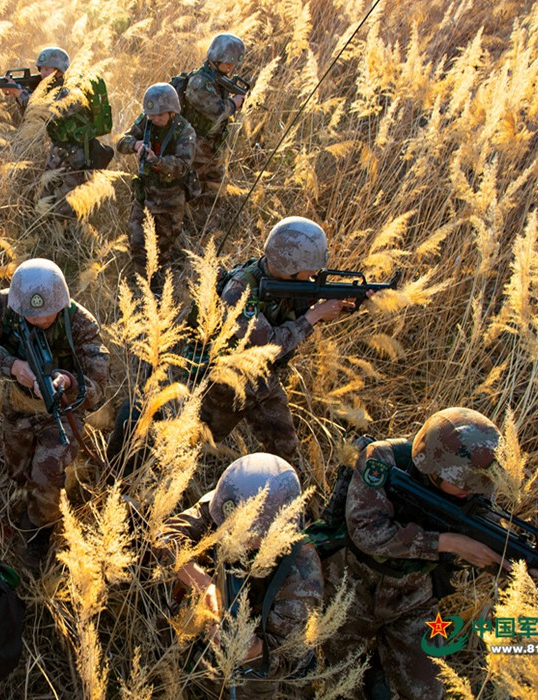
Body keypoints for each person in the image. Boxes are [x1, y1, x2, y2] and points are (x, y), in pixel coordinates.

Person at [322, 408, 538, 699]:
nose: (471, 491)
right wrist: (447, 542)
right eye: (463, 482)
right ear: (431, 465)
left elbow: (490, 551)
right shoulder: (383, 460)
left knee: (429, 692)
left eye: (478, 484)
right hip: (350, 591)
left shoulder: (473, 489)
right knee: (340, 686)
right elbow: (365, 531)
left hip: (414, 601)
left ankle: (383, 662)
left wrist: (534, 572)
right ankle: (376, 667)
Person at [0, 259, 109, 565]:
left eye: (47, 314)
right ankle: (24, 502)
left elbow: (97, 385)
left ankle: (40, 531)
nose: (40, 320)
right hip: (19, 405)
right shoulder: (5, 306)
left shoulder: (81, 323)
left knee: (47, 472)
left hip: (63, 410)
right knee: (18, 469)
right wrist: (14, 366)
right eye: (31, 315)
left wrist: (68, 382)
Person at [155, 453, 322, 698]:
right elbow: (163, 538)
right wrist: (204, 585)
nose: (226, 534)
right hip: (200, 640)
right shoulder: (226, 507)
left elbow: (285, 659)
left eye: (242, 532)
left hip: (254, 671)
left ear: (275, 529)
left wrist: (244, 646)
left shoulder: (302, 573)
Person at [198, 216, 359, 461]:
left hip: (264, 381)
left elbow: (300, 311)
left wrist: (348, 303)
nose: (315, 273)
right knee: (197, 443)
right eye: (310, 269)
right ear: (290, 266)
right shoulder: (240, 291)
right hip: (227, 383)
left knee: (284, 448)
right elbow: (271, 345)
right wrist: (314, 316)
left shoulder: (289, 283)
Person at [2, 46, 111, 216]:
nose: (43, 73)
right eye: (41, 69)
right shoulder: (48, 89)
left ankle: (70, 238)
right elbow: (32, 116)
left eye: (48, 69)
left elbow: (48, 109)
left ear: (60, 70)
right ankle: (51, 233)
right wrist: (18, 96)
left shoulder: (71, 89)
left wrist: (20, 94)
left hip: (77, 155)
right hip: (58, 153)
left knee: (67, 205)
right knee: (44, 198)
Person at [116, 82, 197, 281]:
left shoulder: (185, 130)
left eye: (159, 115)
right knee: (137, 243)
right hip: (145, 196)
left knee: (163, 251)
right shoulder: (146, 121)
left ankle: (161, 291)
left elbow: (184, 165)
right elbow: (121, 143)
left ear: (172, 111)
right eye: (151, 115)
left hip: (170, 199)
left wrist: (157, 161)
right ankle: (140, 287)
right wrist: (135, 145)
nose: (154, 119)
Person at [180, 33, 247, 185]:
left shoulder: (217, 80)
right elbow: (217, 112)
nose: (231, 67)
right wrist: (234, 103)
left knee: (213, 191)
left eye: (232, 64)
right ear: (216, 59)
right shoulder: (199, 82)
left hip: (211, 149)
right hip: (196, 149)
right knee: (197, 190)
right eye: (228, 63)